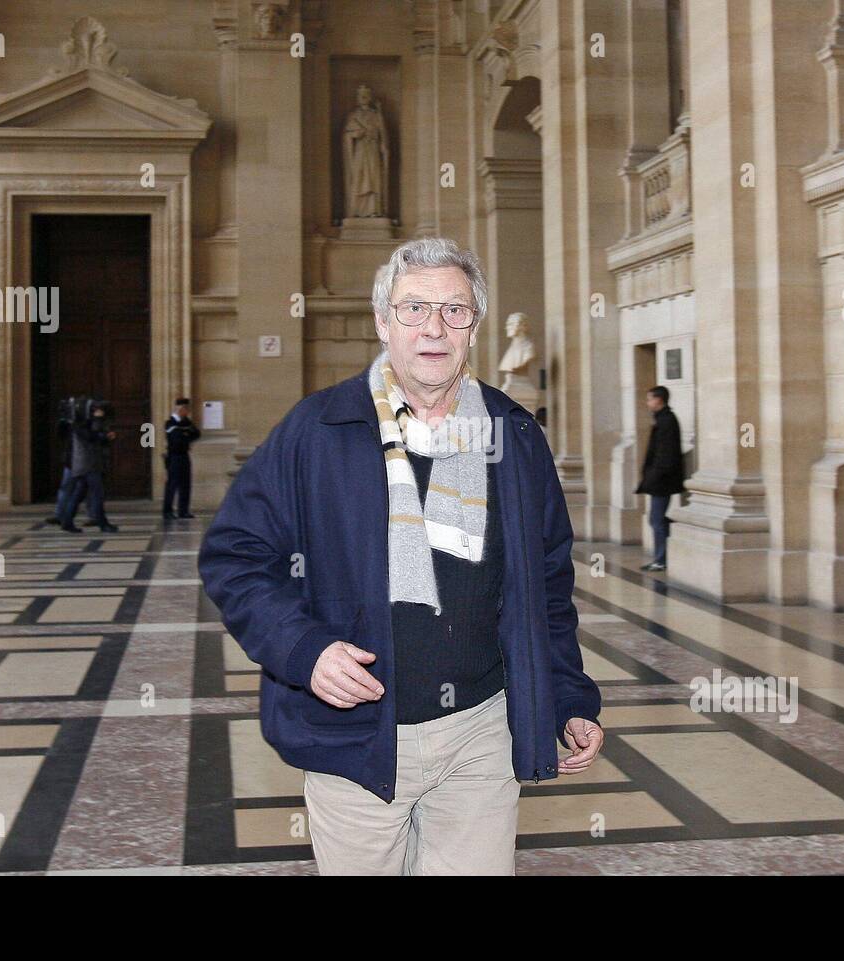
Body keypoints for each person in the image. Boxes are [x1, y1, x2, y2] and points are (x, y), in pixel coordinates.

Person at [199, 237, 603, 876]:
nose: (434, 328)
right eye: (414, 309)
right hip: (361, 732)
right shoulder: (318, 430)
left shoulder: (515, 435)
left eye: (455, 310)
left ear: (474, 326)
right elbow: (236, 555)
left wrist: (568, 695)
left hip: (481, 730)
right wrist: (305, 651)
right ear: (383, 323)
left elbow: (548, 585)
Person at [635, 385, 685, 572]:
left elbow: (665, 455)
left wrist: (653, 477)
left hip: (662, 481)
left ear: (659, 400)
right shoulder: (663, 419)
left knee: (656, 520)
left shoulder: (667, 421)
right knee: (657, 519)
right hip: (661, 479)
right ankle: (662, 555)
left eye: (650, 399)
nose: (648, 403)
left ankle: (661, 558)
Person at [60, 403, 117, 534]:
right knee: (97, 494)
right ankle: (103, 523)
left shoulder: (84, 423)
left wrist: (106, 436)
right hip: (87, 465)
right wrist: (100, 426)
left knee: (79, 493)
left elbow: (98, 437)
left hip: (87, 464)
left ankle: (67, 521)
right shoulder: (79, 424)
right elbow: (91, 437)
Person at [162, 397, 201, 520]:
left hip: (184, 455)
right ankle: (167, 511)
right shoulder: (170, 423)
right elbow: (177, 439)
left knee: (185, 484)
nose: (187, 412)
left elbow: (196, 433)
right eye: (186, 409)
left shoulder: (186, 422)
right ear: (181, 409)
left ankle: (183, 510)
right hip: (174, 457)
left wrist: (186, 435)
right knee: (172, 485)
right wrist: (186, 436)